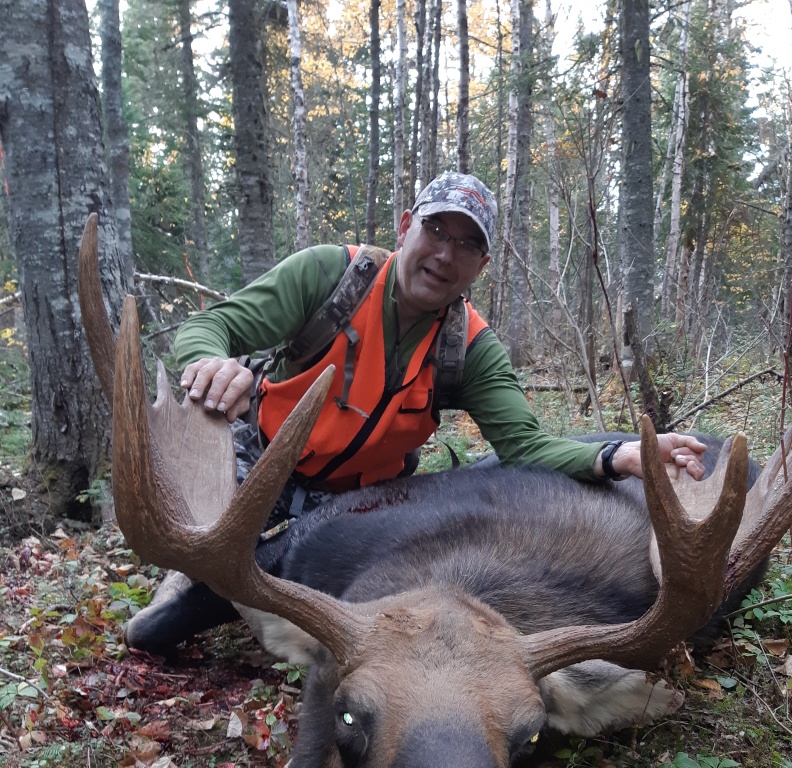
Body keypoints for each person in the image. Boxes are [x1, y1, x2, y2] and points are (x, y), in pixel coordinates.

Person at [127, 172, 707, 653]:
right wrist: (209, 362)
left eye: (466, 245)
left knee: (330, 582)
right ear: (407, 226)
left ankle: (238, 581)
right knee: (204, 542)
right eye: (435, 230)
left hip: (357, 499)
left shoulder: (471, 349)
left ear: (481, 265)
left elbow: (525, 448)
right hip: (263, 459)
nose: (444, 254)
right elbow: (211, 326)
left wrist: (620, 454)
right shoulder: (329, 277)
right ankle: (192, 574)